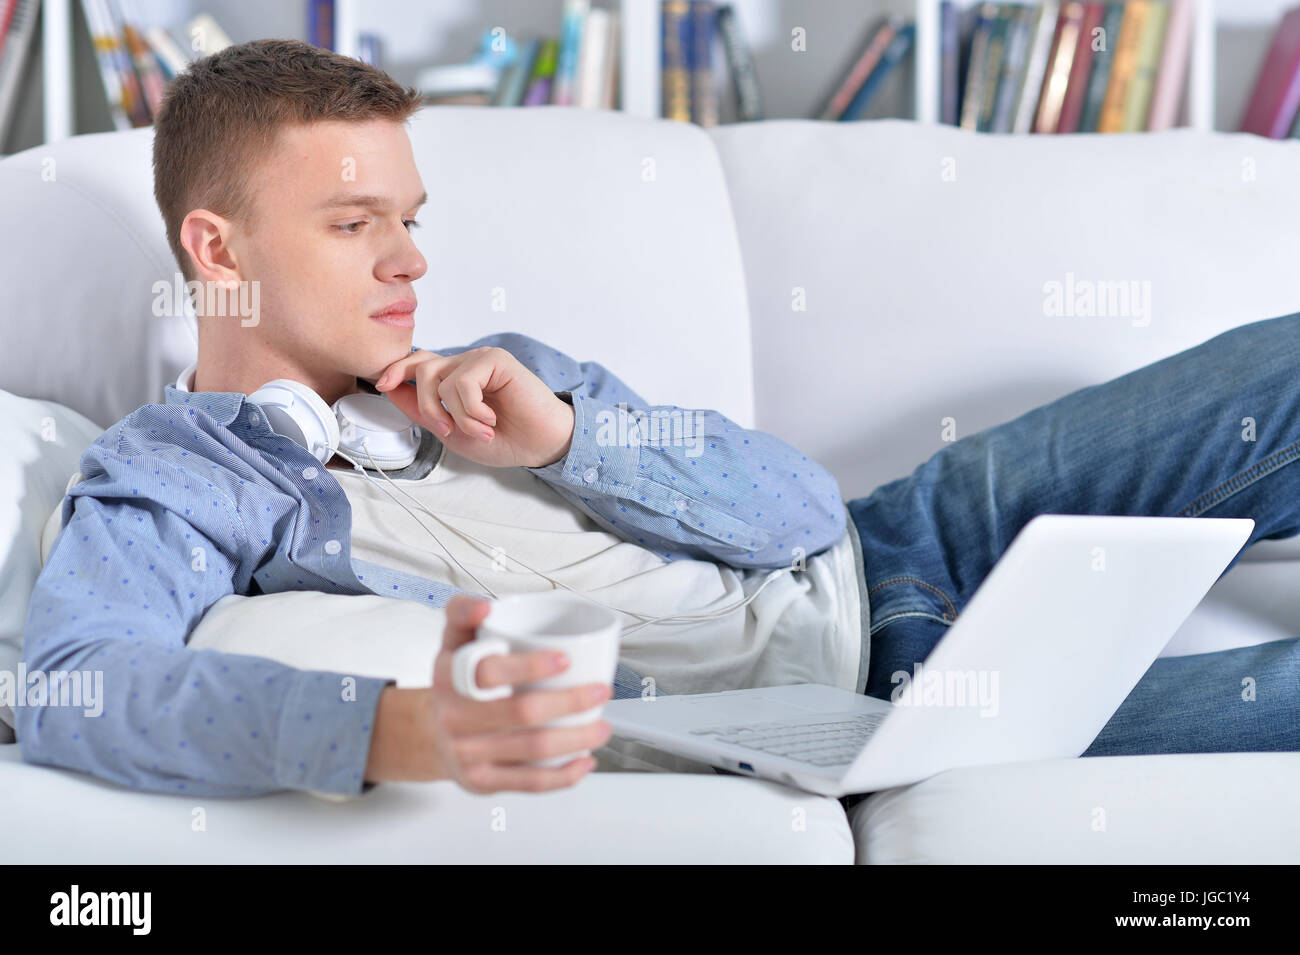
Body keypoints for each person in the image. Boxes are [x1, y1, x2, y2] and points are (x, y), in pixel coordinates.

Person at [18, 39, 1299, 802]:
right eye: (356, 225)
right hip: (879, 697)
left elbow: (796, 508)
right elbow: (81, 684)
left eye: (413, 218)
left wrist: (572, 435)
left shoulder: (495, 372)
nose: (409, 260)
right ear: (215, 243)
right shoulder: (180, 477)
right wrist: (400, 728)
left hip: (911, 537)